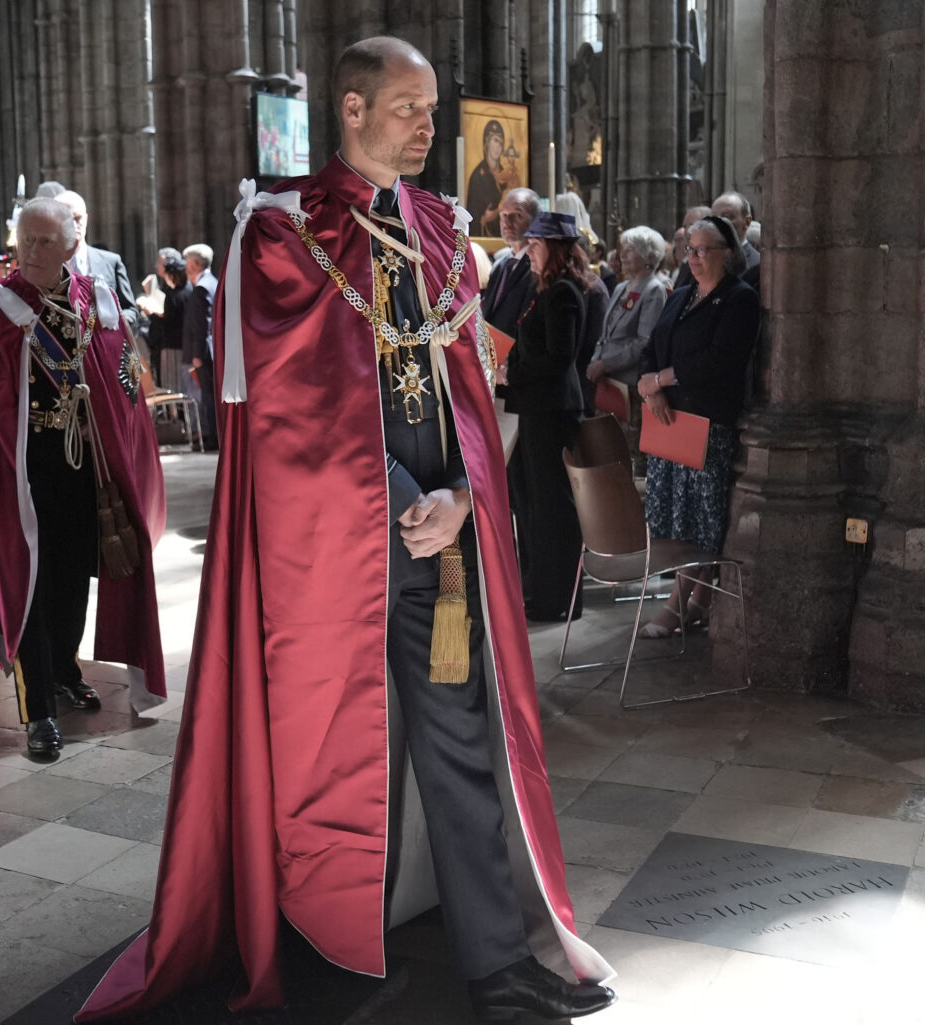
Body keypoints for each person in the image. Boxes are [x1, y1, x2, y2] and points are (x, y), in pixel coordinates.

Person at [79, 35, 614, 1025]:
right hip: (331, 557)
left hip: (441, 543)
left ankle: (500, 961)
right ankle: (319, 939)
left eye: (432, 107)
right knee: (331, 744)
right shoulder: (283, 231)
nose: (428, 124)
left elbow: (465, 386)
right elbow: (298, 404)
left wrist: (456, 498)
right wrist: (405, 494)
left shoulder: (445, 228)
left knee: (459, 739)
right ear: (353, 110)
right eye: (408, 106)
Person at [0, 198, 166, 756]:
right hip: (17, 471)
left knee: (72, 575)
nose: (31, 253)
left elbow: (125, 383)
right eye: (25, 241)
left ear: (69, 246)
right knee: (27, 582)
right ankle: (38, 711)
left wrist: (126, 443)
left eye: (44, 242)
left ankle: (62, 667)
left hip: (84, 464)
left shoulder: (96, 301)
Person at [636, 215, 758, 637]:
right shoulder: (680, 295)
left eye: (706, 249)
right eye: (691, 249)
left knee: (698, 519)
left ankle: (675, 606)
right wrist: (648, 387)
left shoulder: (738, 299)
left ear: (728, 253)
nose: (696, 257)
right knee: (670, 515)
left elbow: (720, 358)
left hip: (706, 423)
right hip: (667, 419)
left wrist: (663, 379)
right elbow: (652, 346)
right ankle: (699, 599)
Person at [499, 212, 596, 621]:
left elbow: (560, 358)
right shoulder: (544, 289)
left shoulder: (563, 293)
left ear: (553, 248)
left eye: (535, 245)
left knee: (552, 505)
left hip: (552, 410)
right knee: (531, 505)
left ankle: (560, 599)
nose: (530, 251)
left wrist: (512, 372)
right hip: (534, 407)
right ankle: (538, 591)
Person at [586, 225, 669, 387]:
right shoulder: (620, 287)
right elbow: (605, 335)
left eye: (630, 250)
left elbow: (644, 342)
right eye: (623, 249)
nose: (622, 255)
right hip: (606, 377)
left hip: (629, 380)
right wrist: (596, 360)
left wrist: (605, 364)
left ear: (649, 257)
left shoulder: (654, 289)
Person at [43, 185, 138, 324]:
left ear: (86, 219)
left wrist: (111, 324)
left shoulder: (111, 262)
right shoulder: (44, 265)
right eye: (67, 220)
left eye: (78, 218)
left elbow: (130, 310)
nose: (74, 226)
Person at [480, 187, 539, 338]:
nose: (507, 222)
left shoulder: (537, 265)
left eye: (517, 215)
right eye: (504, 215)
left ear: (535, 220)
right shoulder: (500, 265)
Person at [180, 243, 218, 448]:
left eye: (187, 261)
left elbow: (202, 325)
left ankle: (212, 437)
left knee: (207, 396)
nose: (185, 266)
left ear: (195, 263)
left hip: (204, 352)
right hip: (209, 350)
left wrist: (197, 355)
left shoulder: (202, 288)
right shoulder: (212, 283)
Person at [138, 247, 189, 391]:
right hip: (178, 343)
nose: (157, 267)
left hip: (172, 345)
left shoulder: (175, 294)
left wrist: (151, 314)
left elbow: (168, 322)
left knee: (172, 383)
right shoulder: (184, 289)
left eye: (160, 263)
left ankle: (175, 413)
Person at [710, 191, 760, 290]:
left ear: (747, 222)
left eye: (727, 217)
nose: (718, 222)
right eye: (714, 217)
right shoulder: (701, 259)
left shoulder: (757, 265)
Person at [467, 118, 505, 237]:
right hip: (483, 236)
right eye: (495, 140)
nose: (498, 146)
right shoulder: (478, 176)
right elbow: (472, 215)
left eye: (501, 143)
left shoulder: (505, 174)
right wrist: (485, 218)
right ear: (487, 142)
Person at [671, 204, 711, 290]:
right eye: (685, 227)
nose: (688, 232)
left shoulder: (712, 261)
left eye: (693, 225)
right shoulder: (686, 264)